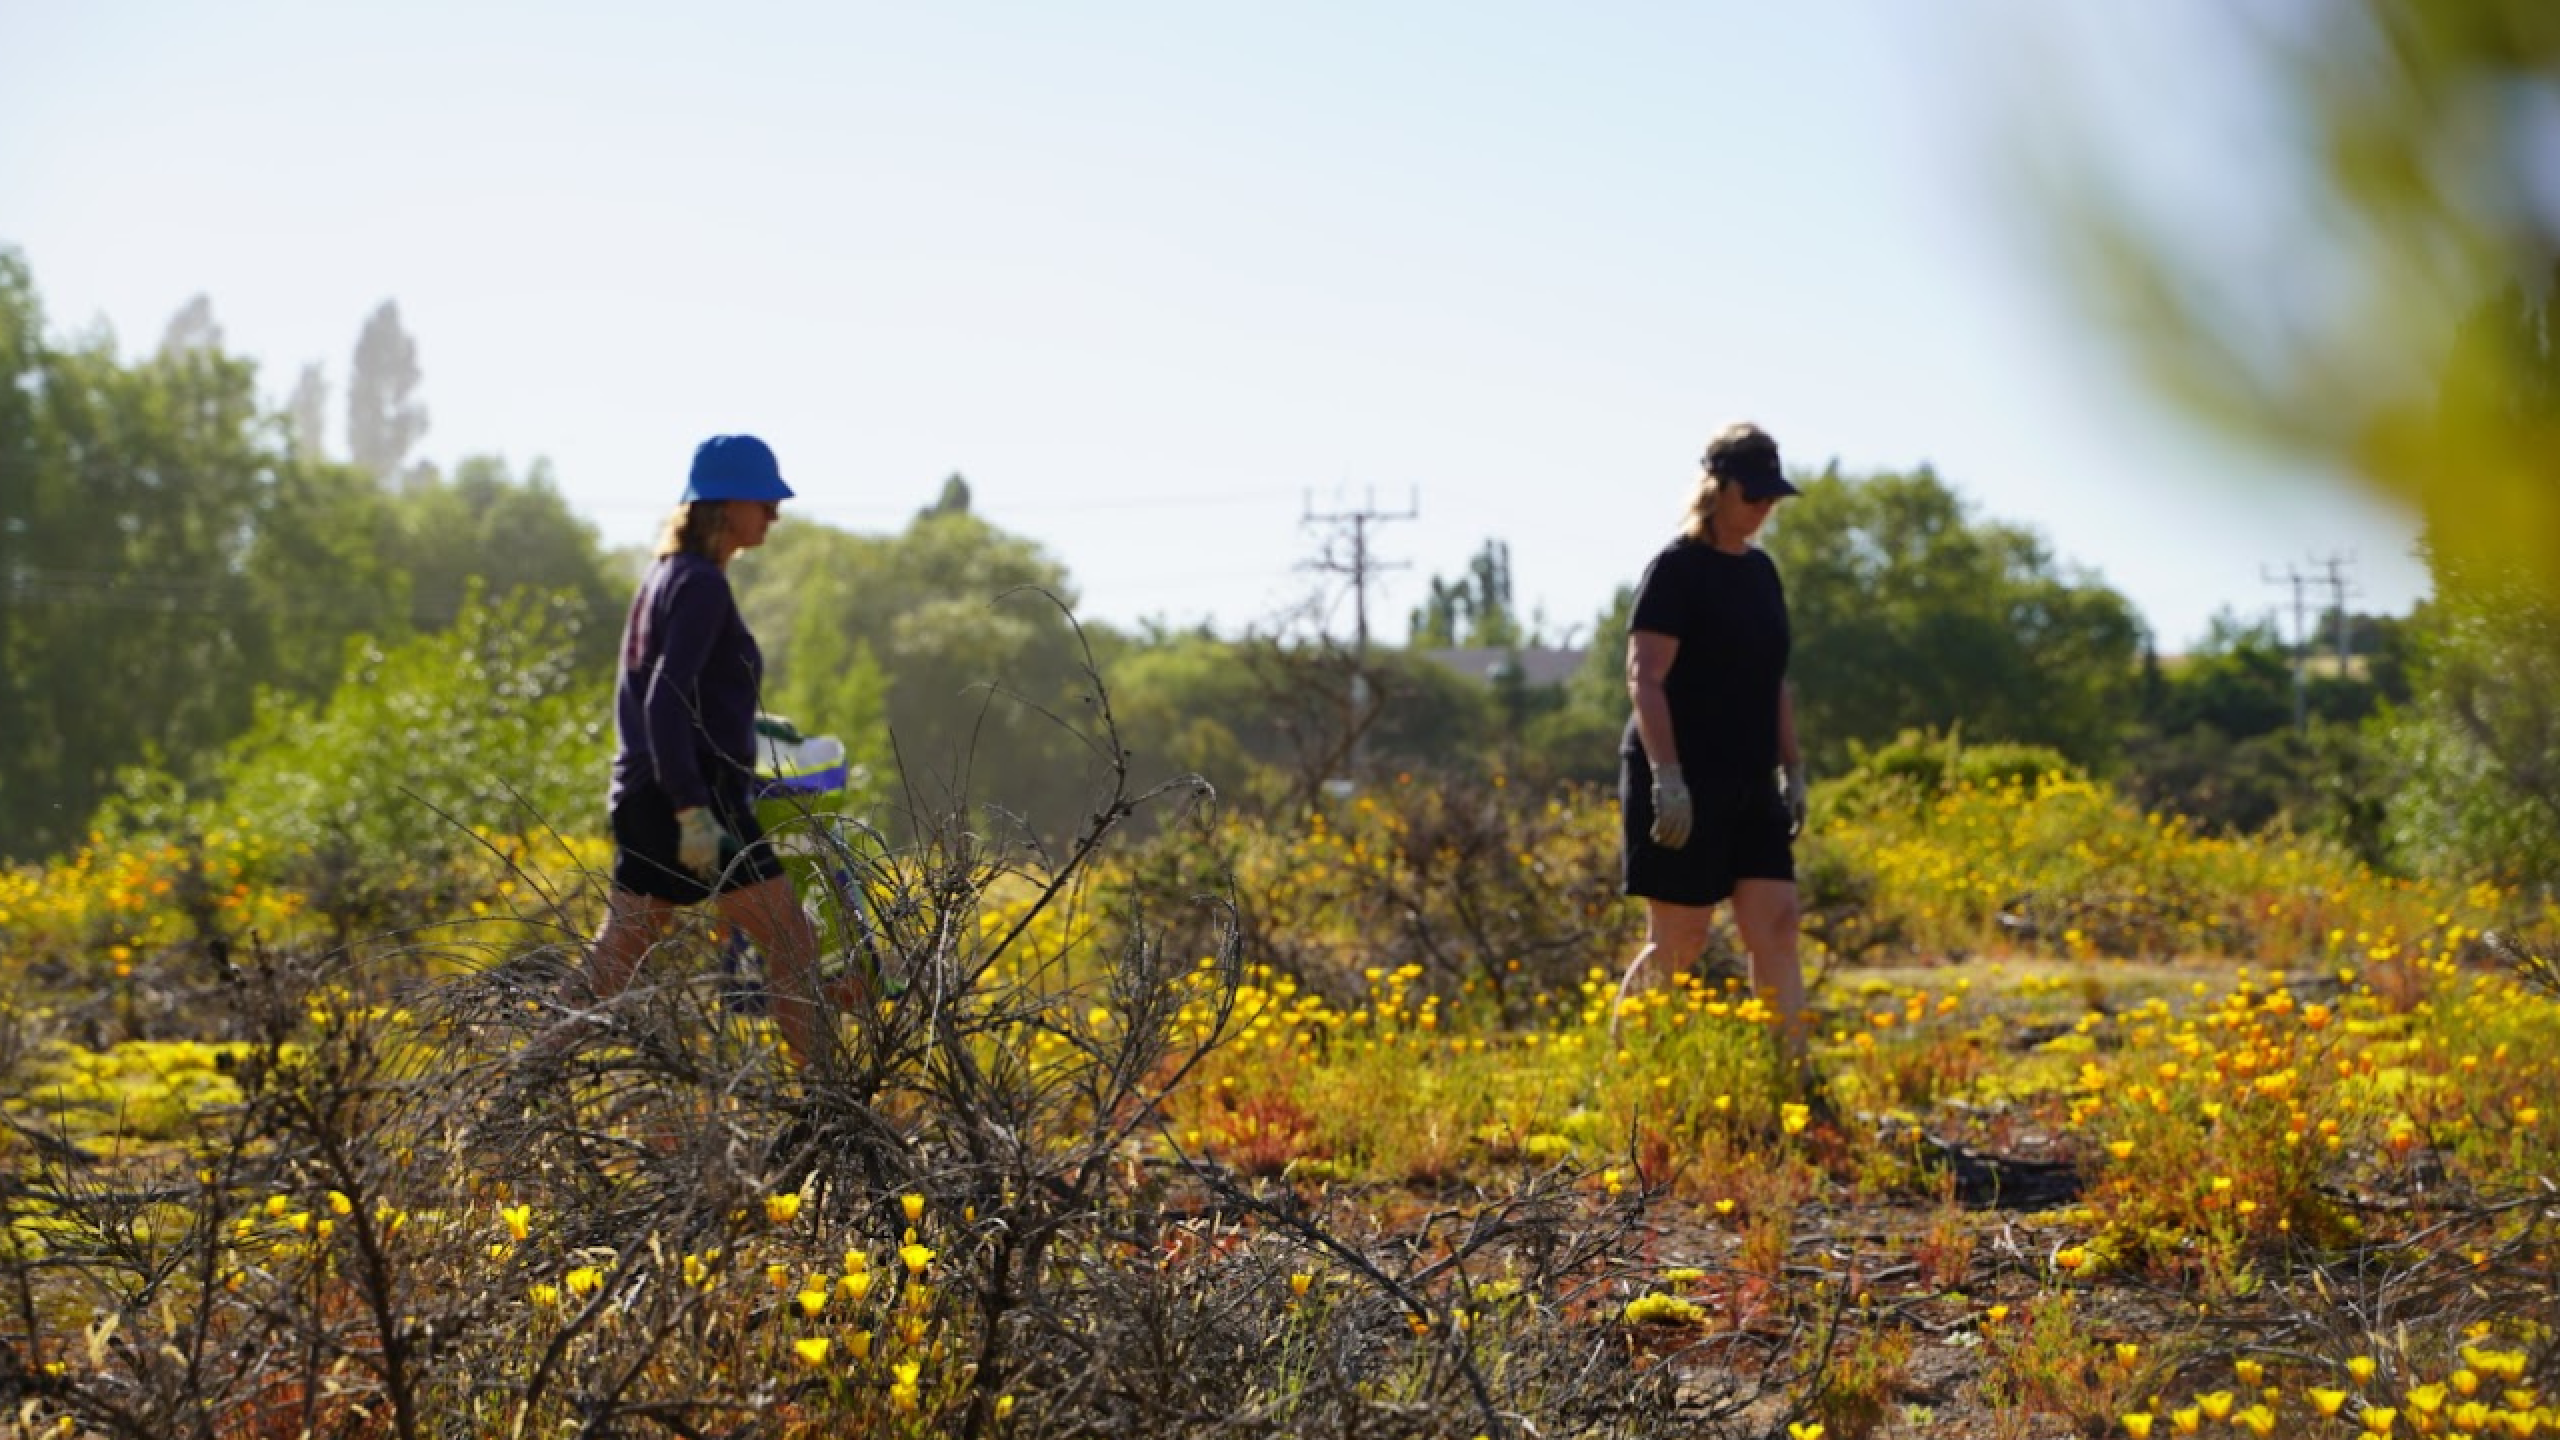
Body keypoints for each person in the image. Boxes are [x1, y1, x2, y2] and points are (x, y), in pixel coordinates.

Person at [569, 433, 839, 1068]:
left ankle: (506, 1099)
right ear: (723, 506)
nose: (775, 513)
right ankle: (839, 1118)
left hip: (644, 798)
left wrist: (753, 731)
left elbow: (674, 700)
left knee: (610, 967)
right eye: (764, 500)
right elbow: (666, 700)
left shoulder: (667, 577)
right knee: (797, 943)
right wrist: (694, 812)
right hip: (692, 802)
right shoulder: (701, 585)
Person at [1611, 422, 1812, 1074]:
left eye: (1770, 498)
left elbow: (1773, 677)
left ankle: (1791, 1077)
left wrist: (1794, 768)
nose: (1763, 509)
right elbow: (1646, 676)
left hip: (1752, 778)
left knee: (1776, 924)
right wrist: (1668, 778)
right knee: (1681, 936)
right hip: (1682, 778)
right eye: (1751, 495)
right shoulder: (1677, 570)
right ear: (1717, 488)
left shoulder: (1761, 574)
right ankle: (1631, 1071)